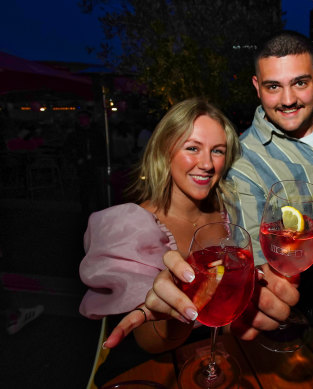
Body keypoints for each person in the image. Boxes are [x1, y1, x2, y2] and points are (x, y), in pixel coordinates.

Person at [79, 98, 242, 357]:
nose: (208, 164)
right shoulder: (130, 227)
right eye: (193, 148)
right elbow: (148, 342)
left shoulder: (232, 212)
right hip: (163, 364)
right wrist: (178, 314)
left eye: (218, 151)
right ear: (165, 150)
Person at [224, 30, 313, 337]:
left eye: (300, 82)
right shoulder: (244, 164)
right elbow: (257, 263)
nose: (288, 100)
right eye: (273, 86)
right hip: (308, 316)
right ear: (257, 87)